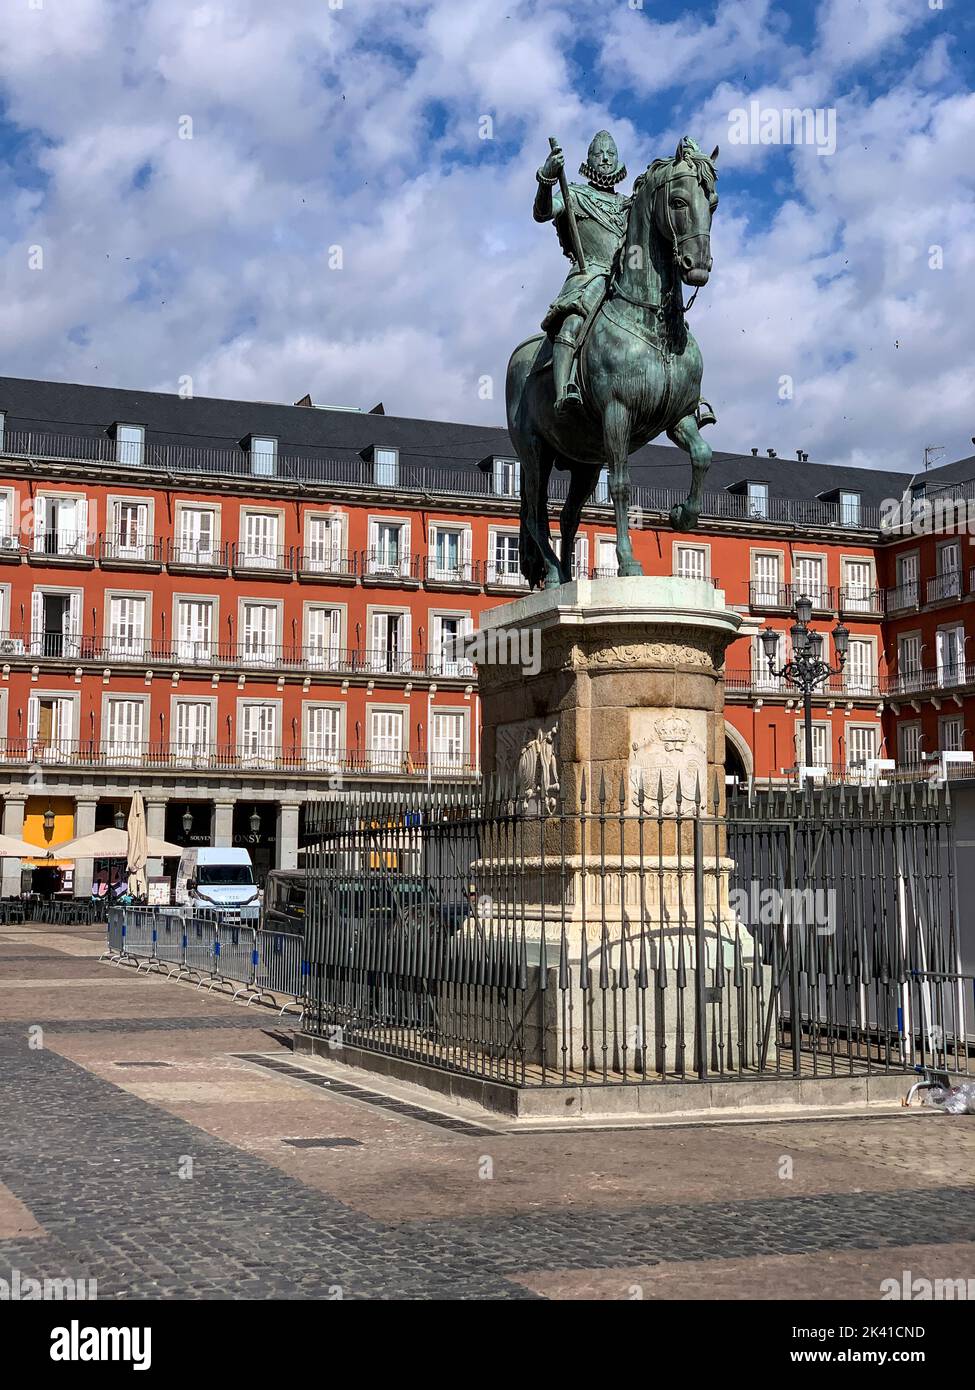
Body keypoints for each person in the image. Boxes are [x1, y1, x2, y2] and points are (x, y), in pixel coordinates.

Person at [534, 130, 631, 414]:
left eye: (611, 154)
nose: (604, 158)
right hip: (588, 275)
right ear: (588, 158)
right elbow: (542, 213)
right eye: (599, 153)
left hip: (624, 279)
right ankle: (564, 389)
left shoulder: (628, 205)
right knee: (574, 321)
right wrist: (546, 179)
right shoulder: (574, 194)